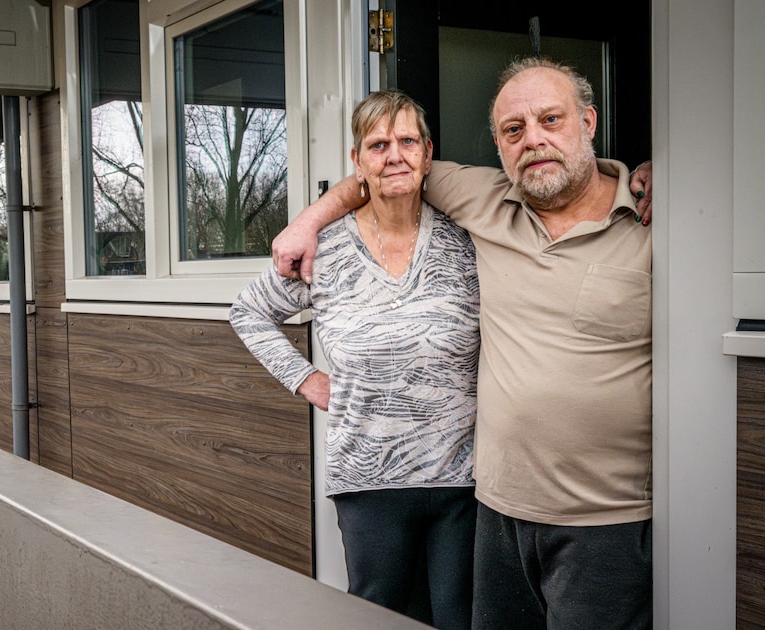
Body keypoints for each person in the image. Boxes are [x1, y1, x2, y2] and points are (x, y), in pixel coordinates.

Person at [272, 58, 653, 629]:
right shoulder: (486, 200)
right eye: (513, 129)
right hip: (496, 510)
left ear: (589, 122)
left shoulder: (657, 220)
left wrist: (669, 169)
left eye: (551, 119)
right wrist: (309, 221)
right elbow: (385, 173)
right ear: (498, 144)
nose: (534, 140)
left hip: (606, 520)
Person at [231, 90, 480, 629]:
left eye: (408, 141)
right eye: (379, 144)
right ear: (358, 161)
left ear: (428, 152)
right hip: (368, 480)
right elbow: (248, 312)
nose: (395, 155)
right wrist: (306, 379)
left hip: (462, 478)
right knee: (378, 614)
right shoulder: (326, 250)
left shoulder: (466, 242)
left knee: (459, 617)